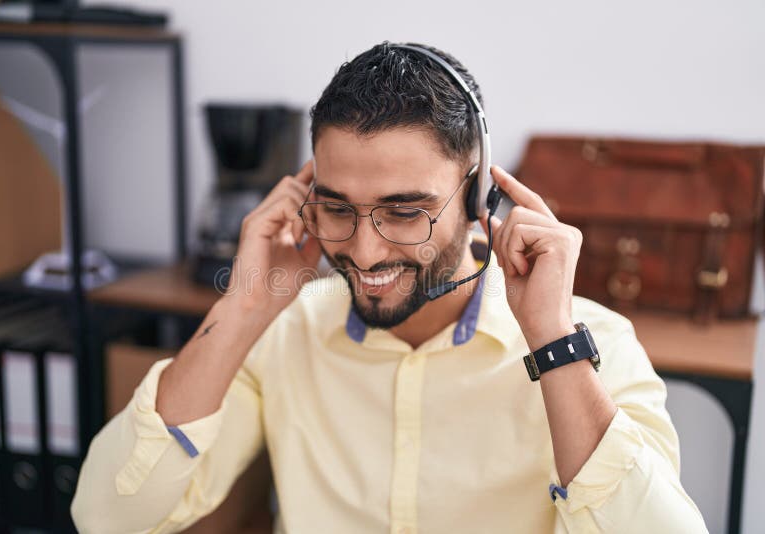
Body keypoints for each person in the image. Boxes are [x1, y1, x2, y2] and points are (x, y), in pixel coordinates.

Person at [71, 42, 707, 533]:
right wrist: (245, 305)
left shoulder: (592, 343)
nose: (365, 251)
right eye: (337, 208)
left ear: (477, 198)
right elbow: (107, 516)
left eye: (405, 212)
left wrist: (553, 343)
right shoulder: (286, 330)